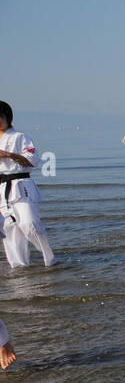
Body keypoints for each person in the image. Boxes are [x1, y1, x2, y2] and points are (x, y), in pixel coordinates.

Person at [0, 100, 56, 267]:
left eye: (0, 117)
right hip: (2, 188)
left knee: (29, 223)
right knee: (10, 229)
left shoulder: (20, 137)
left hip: (20, 184)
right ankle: (19, 266)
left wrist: (9, 155)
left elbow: (33, 160)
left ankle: (50, 259)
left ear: (7, 117)